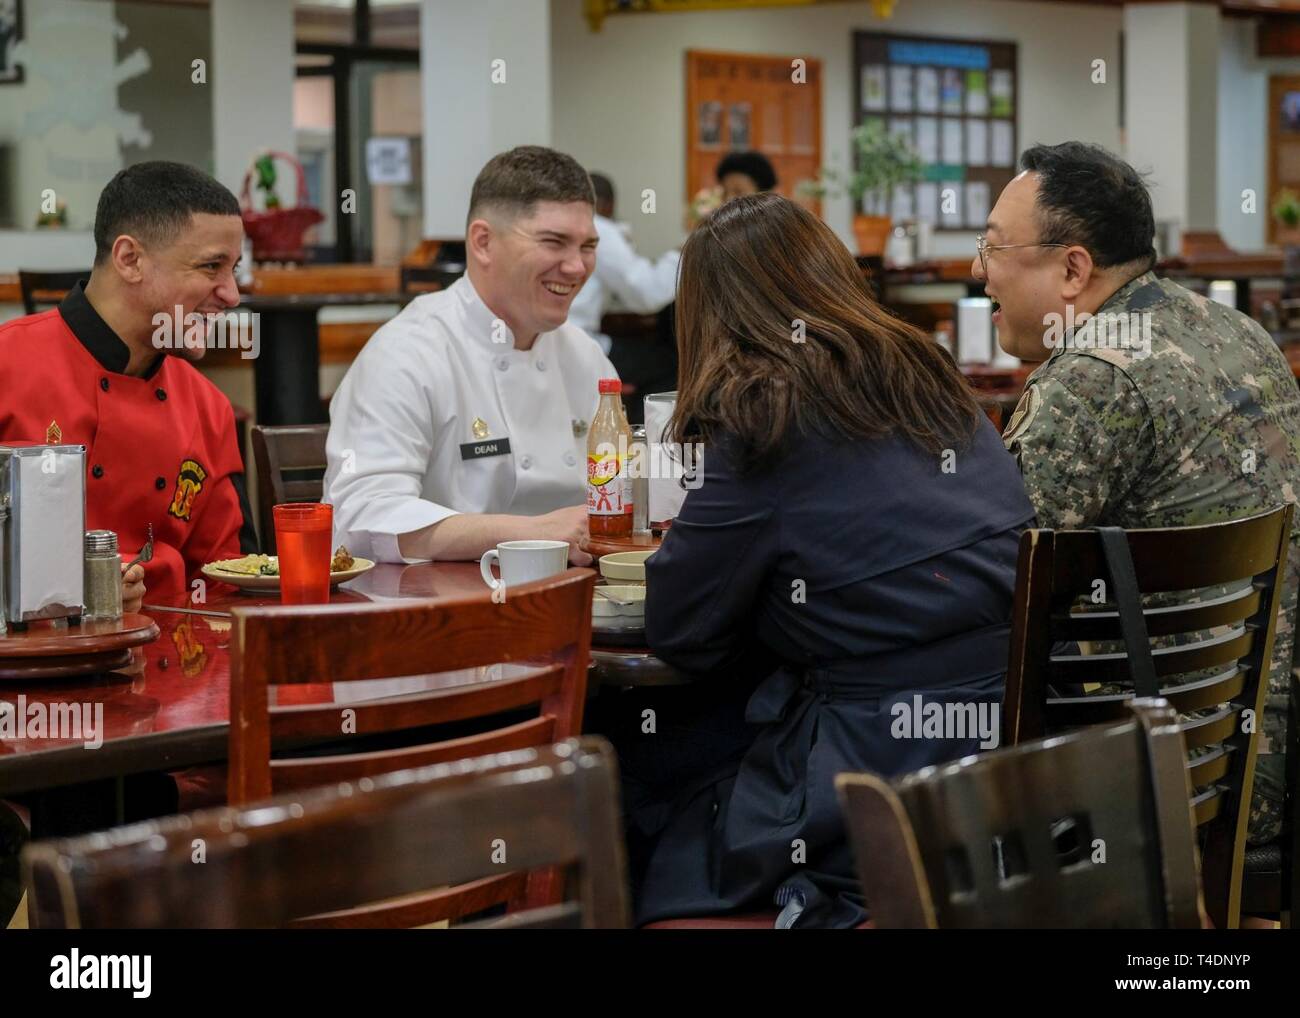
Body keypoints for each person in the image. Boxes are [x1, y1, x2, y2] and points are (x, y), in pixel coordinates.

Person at [603, 192, 1035, 928]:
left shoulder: (759, 414)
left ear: (710, 313)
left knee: (628, 770)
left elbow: (682, 628)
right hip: (1005, 761)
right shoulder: (934, 380)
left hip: (865, 780)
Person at [984, 141, 1300, 844]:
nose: (980, 270)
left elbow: (990, 574)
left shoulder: (1092, 376)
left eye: (993, 246)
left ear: (1072, 268)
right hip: (1262, 749)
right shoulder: (1242, 335)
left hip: (1159, 771)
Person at [324, 146, 617, 565]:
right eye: (554, 242)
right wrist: (533, 534)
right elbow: (360, 519)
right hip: (435, 612)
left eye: (588, 246)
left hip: (571, 602)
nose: (576, 267)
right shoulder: (408, 354)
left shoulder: (585, 358)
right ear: (483, 243)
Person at [0, 160, 258, 608]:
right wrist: (59, 593)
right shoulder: (9, 366)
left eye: (234, 268)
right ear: (130, 259)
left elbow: (230, 582)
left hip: (177, 658)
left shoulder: (209, 409)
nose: (232, 295)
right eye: (211, 266)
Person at [566, 172, 679, 355]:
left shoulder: (564, 225)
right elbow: (647, 294)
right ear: (608, 205)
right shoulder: (600, 228)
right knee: (668, 362)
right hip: (578, 342)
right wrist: (679, 254)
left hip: (560, 338)